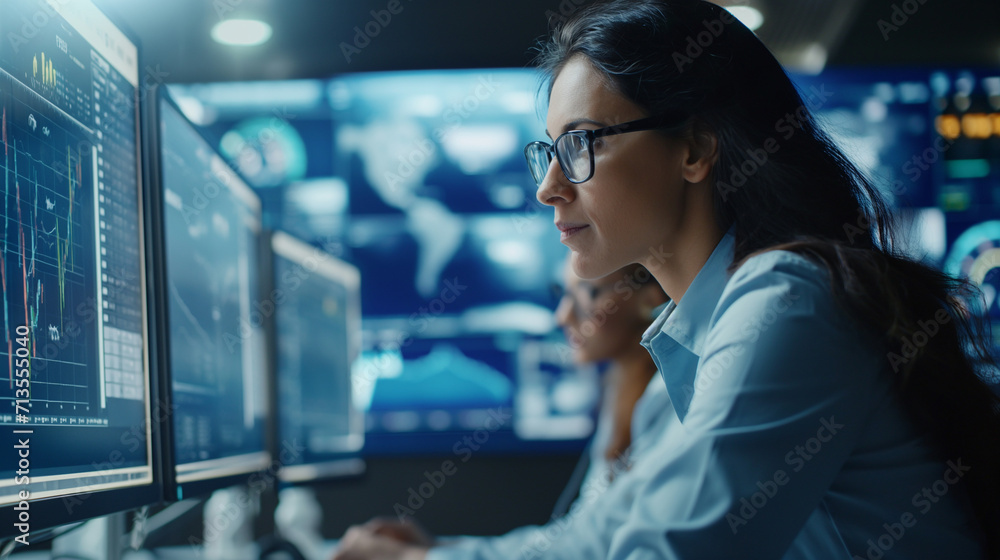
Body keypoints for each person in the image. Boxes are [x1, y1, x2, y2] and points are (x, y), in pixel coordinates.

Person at [520, 0, 1000, 558]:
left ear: (695, 148)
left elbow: (673, 548)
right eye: (550, 151)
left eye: (582, 142)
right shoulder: (702, 338)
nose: (549, 187)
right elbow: (600, 538)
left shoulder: (788, 297)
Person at [332, 263, 677, 560]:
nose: (563, 315)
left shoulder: (669, 402)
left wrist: (421, 557)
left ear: (652, 296)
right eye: (562, 292)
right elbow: (576, 537)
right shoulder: (622, 394)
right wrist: (440, 547)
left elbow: (589, 549)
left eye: (588, 293)